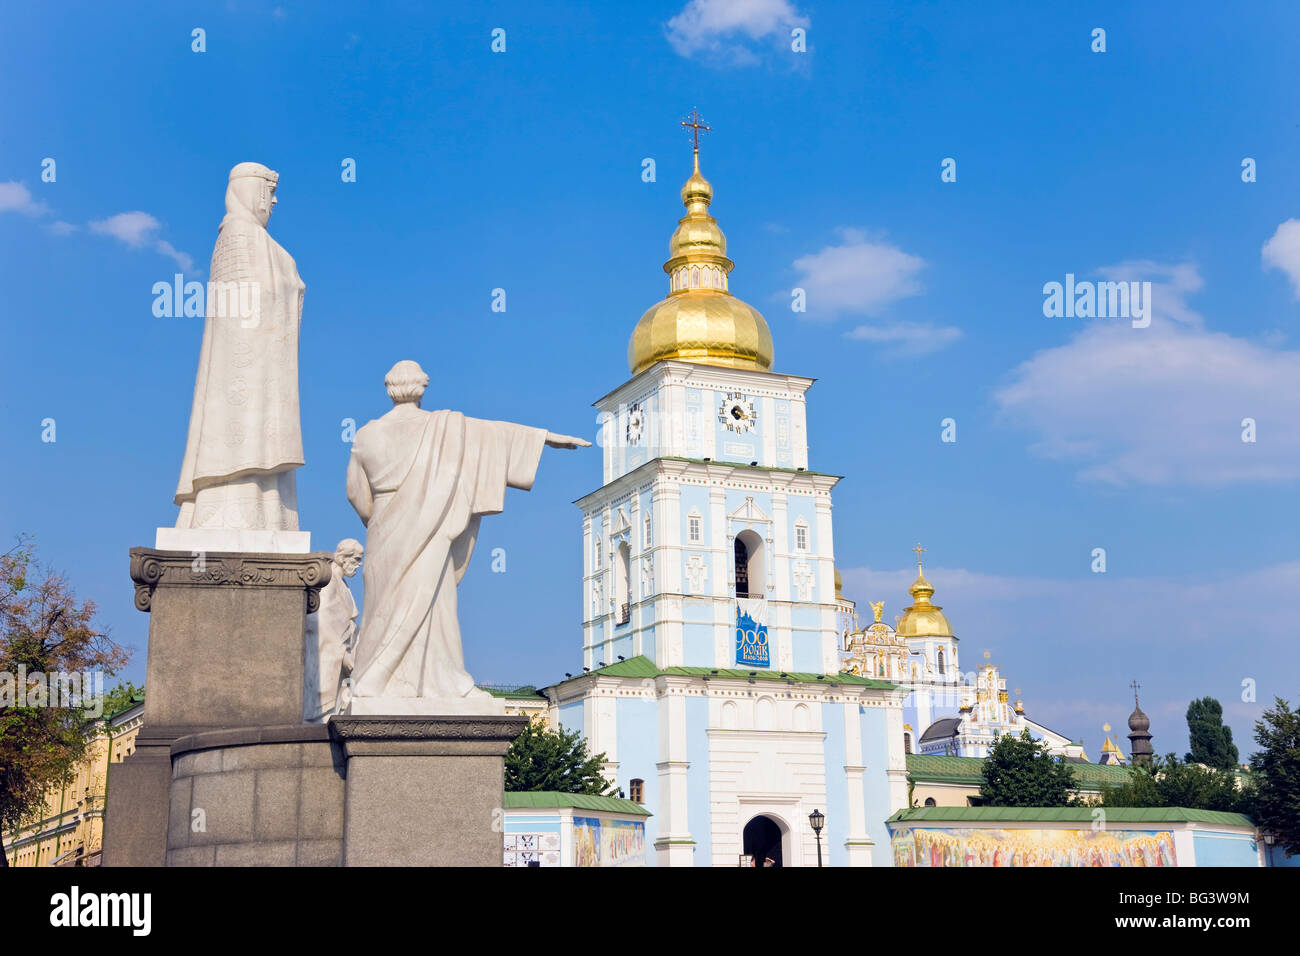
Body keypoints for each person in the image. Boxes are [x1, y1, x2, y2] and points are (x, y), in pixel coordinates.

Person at [345, 360, 588, 711]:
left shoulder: (366, 434)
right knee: (436, 604)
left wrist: (381, 522)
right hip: (430, 525)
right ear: (422, 387)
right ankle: (446, 682)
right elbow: (494, 435)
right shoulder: (444, 427)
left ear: (388, 388)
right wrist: (546, 438)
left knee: (386, 607)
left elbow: (355, 492)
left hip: (384, 528)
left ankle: (400, 682)